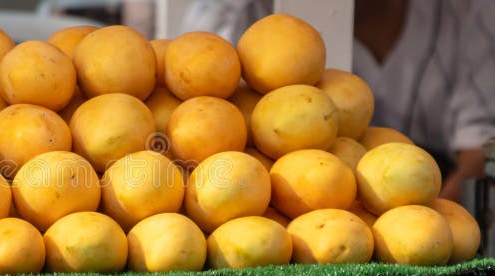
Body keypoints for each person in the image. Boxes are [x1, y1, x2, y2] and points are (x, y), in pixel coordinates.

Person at [179, 0, 495, 202]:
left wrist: (430, 219)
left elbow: (481, 147)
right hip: (258, 182)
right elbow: (196, 97)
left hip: (430, 186)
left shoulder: (466, 15)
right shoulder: (233, 13)